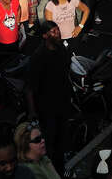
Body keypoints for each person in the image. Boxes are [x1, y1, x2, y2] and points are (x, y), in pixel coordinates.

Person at [25, 20, 70, 169]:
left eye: (57, 30)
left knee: (62, 139)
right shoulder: (39, 57)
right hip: (47, 108)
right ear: (45, 35)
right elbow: (30, 87)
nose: (57, 33)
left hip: (62, 103)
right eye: (53, 31)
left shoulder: (61, 50)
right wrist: (32, 112)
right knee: (50, 142)